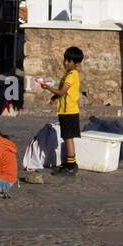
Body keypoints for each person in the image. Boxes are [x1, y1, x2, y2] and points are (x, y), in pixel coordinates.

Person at [39, 46, 83, 176]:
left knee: (68, 138)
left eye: (69, 61)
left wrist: (48, 88)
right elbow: (62, 93)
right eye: (65, 60)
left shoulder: (72, 75)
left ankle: (71, 165)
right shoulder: (67, 74)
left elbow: (62, 91)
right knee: (66, 137)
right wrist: (54, 97)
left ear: (76, 63)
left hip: (70, 111)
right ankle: (69, 162)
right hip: (64, 111)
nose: (65, 63)